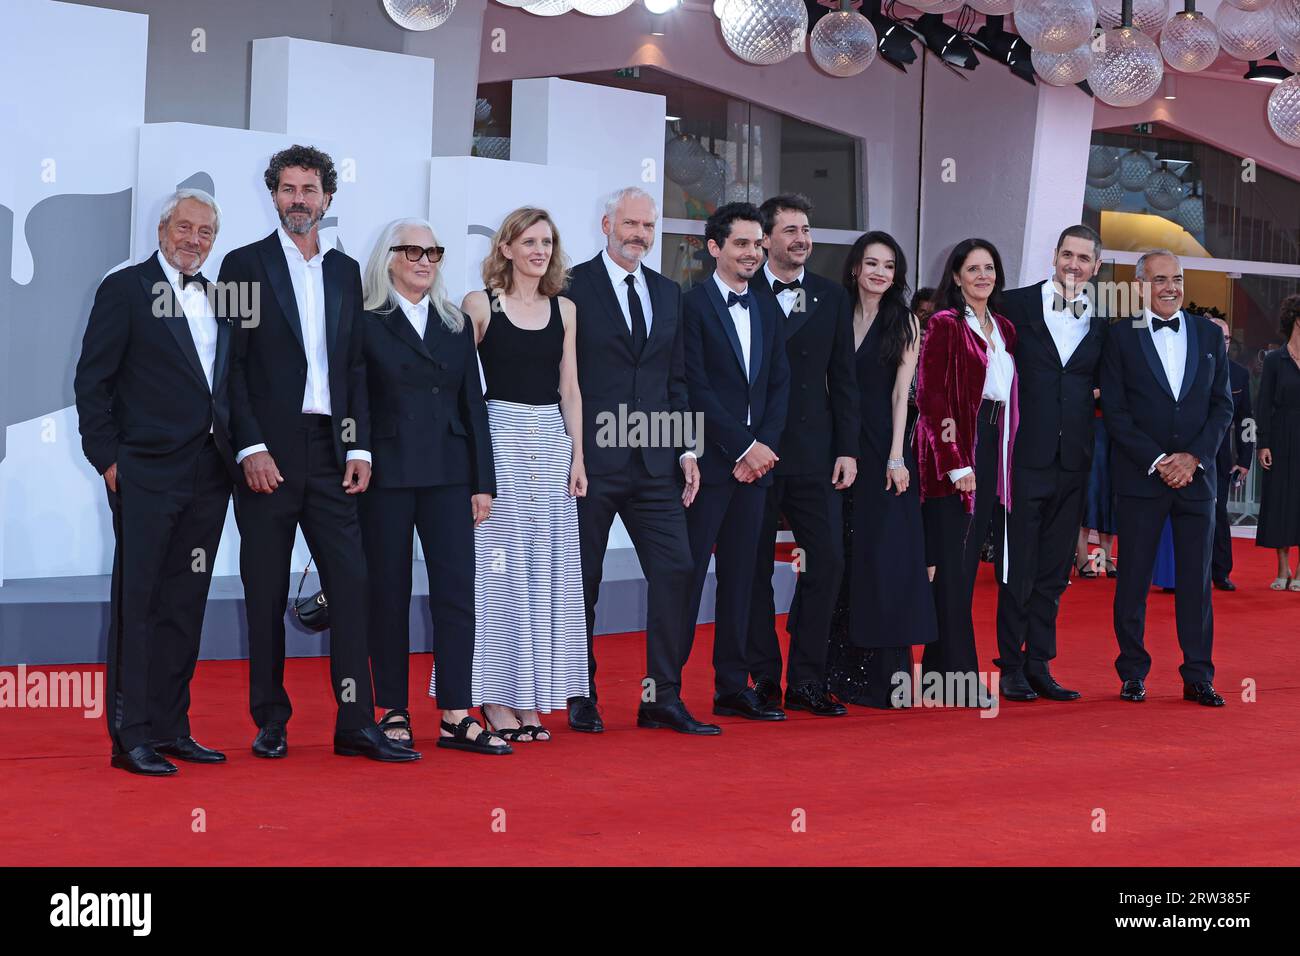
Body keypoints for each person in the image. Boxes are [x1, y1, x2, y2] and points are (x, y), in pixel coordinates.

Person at [220, 145, 417, 761]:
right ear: (273, 195)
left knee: (351, 586)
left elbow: (353, 367)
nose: (298, 199)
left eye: (310, 189)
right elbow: (230, 369)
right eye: (287, 188)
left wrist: (359, 446)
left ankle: (355, 723)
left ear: (328, 198)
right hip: (267, 456)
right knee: (265, 590)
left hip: (333, 452)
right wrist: (249, 446)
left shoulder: (344, 271)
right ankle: (270, 720)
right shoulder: (239, 265)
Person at [74, 188, 239, 775]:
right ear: (162, 229)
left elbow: (227, 385)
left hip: (208, 476)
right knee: (139, 603)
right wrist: (109, 460)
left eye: (205, 233)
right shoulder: (124, 289)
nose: (194, 240)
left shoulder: (223, 299)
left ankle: (172, 727)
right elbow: (93, 383)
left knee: (185, 602)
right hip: (145, 474)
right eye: (185, 228)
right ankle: (131, 736)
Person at [357, 219, 508, 756]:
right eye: (414, 250)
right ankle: (393, 710)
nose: (425, 260)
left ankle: (456, 713)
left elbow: (473, 406)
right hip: (387, 476)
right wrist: (357, 456)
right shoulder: (365, 319)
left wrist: (483, 482)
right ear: (389, 256)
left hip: (449, 475)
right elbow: (357, 401)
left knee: (456, 596)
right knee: (389, 595)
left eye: (434, 252)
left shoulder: (454, 323)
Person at [565, 187, 712, 736]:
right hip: (591, 462)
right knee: (584, 579)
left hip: (656, 462)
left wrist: (688, 449)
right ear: (606, 224)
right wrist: (570, 450)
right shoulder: (571, 286)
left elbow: (676, 381)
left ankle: (661, 697)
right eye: (630, 224)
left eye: (648, 227)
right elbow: (565, 380)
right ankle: (582, 694)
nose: (640, 235)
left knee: (676, 570)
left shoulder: (668, 292)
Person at [462, 207, 589, 742]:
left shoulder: (566, 309)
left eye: (547, 242)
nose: (540, 250)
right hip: (498, 439)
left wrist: (578, 455)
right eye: (529, 241)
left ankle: (532, 696)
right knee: (497, 572)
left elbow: (570, 388)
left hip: (549, 445)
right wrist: (473, 469)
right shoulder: (478, 305)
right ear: (506, 247)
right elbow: (462, 390)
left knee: (544, 575)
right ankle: (492, 699)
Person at [1100, 249, 1233, 707]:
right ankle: (1132, 672)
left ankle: (1198, 675)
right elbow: (1115, 413)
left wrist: (1193, 458)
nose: (1170, 287)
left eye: (1176, 278)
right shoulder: (1120, 337)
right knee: (1133, 579)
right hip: (1141, 477)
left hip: (1197, 479)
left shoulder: (1208, 334)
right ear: (1140, 285)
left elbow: (1222, 407)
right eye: (1159, 279)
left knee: (1196, 582)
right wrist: (1159, 460)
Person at [746, 194, 858, 717]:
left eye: (806, 229)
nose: (801, 238)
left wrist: (848, 450)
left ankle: (808, 680)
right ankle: (764, 678)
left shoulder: (832, 298)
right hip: (755, 455)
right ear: (766, 239)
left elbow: (845, 380)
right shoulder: (743, 294)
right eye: (789, 229)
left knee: (828, 562)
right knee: (752, 570)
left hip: (816, 454)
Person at [680, 202, 790, 723]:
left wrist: (762, 448)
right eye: (742, 243)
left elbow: (780, 383)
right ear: (715, 248)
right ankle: (664, 691)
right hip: (708, 466)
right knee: (688, 575)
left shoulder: (767, 306)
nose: (753, 252)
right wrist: (742, 447)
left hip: (757, 470)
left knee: (743, 580)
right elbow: (695, 387)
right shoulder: (691, 305)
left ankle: (731, 685)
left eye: (757, 243)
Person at [993, 225, 1107, 702]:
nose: (1073, 265)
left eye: (1083, 258)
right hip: (1022, 457)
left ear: (1096, 267)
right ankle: (1011, 664)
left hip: (1074, 461)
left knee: (1056, 569)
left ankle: (1040, 662)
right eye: (1067, 254)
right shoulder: (1013, 306)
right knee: (1017, 565)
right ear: (1054, 255)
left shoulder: (1104, 321)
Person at [826, 231, 936, 708]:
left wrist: (896, 456)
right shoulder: (834, 311)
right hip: (836, 444)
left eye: (888, 266)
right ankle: (834, 672)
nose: (879, 273)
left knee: (879, 558)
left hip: (882, 451)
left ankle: (879, 679)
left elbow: (901, 397)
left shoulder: (905, 323)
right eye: (871, 263)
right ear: (855, 267)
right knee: (838, 556)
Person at [914, 238, 1017, 707]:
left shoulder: (1005, 328)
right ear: (955, 276)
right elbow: (930, 397)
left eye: (989, 268)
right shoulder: (944, 324)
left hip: (994, 445)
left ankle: (941, 677)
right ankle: (956, 677)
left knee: (964, 568)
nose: (982, 275)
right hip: (956, 451)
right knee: (952, 570)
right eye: (972, 268)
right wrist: (957, 461)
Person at [1255, 294, 1300, 590]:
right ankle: (1282, 568)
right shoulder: (1274, 360)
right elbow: (1263, 405)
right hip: (1282, 436)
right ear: (1297, 321)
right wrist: (1264, 443)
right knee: (1280, 502)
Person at [1209, 316, 1253, 591]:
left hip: (1222, 457)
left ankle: (1220, 571)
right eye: (1217, 337)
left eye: (1226, 338)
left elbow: (1246, 420)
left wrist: (1245, 459)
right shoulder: (1189, 367)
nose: (1222, 343)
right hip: (1186, 453)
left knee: (1218, 513)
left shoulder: (1239, 374)